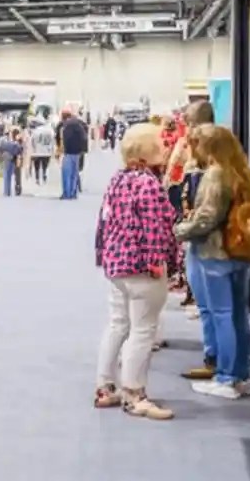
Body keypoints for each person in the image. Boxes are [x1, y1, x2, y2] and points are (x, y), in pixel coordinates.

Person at [93, 123, 178, 420]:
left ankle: (105, 387)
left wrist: (102, 255)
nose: (166, 147)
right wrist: (161, 262)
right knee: (143, 330)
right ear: (148, 150)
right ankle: (134, 394)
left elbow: (103, 222)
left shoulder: (118, 179)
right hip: (142, 268)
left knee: (117, 323)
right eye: (161, 143)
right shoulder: (149, 185)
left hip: (116, 266)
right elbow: (156, 229)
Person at [174, 124, 250, 399]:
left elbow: (207, 218)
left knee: (221, 315)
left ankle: (225, 377)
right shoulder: (243, 173)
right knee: (238, 316)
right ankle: (241, 374)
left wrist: (178, 231)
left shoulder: (215, 175)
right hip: (240, 254)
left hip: (215, 254)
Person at [167, 102, 217, 377]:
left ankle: (217, 363)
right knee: (217, 309)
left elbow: (203, 209)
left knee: (214, 308)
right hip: (203, 230)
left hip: (203, 235)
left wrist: (179, 230)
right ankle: (223, 364)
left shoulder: (198, 146)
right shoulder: (215, 146)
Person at [59, 110, 87, 199]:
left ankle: (66, 193)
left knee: (66, 174)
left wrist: (62, 150)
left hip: (68, 152)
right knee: (74, 174)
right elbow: (84, 137)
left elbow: (64, 140)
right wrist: (83, 150)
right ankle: (73, 192)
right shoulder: (80, 125)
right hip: (77, 153)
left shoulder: (66, 126)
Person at [0, 128, 24, 197]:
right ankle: (8, 191)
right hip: (10, 158)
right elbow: (0, 149)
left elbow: (20, 150)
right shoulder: (5, 140)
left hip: (13, 158)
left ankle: (11, 190)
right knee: (8, 174)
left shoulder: (16, 140)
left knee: (10, 175)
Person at [29, 118, 56, 185]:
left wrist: (33, 149)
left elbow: (32, 141)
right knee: (45, 165)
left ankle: (37, 178)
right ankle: (44, 175)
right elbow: (53, 141)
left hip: (37, 151)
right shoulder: (50, 131)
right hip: (46, 151)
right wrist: (52, 150)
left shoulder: (35, 131)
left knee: (37, 166)